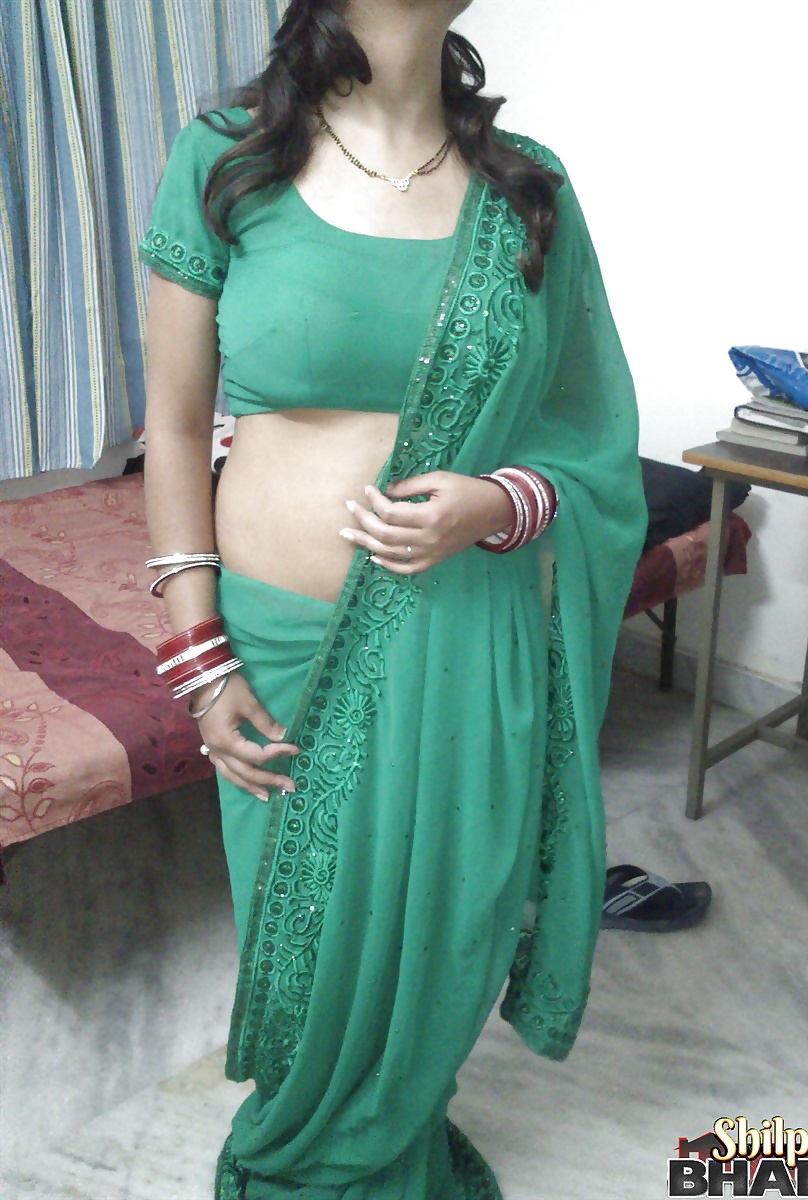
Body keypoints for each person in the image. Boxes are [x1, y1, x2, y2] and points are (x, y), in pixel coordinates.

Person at [139, 1, 647, 1196]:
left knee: (444, 939)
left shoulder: (528, 188)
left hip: (469, 637)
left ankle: (393, 1145)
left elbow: (590, 435)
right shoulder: (226, 158)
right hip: (278, 646)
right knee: (310, 960)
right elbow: (172, 429)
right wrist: (198, 657)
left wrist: (499, 502)